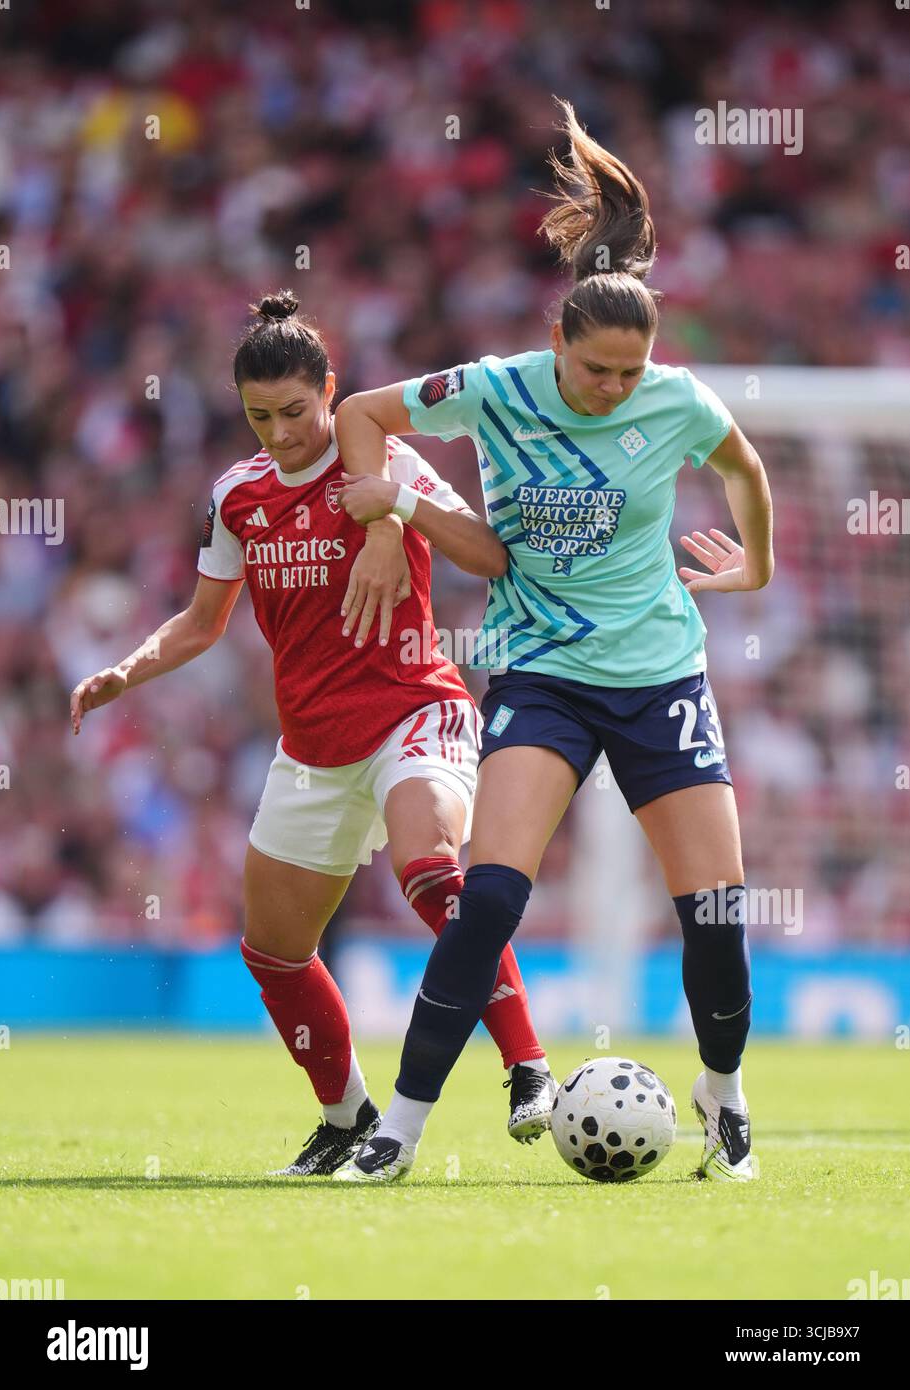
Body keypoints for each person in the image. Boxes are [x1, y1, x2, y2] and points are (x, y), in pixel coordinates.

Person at [329, 100, 774, 1184]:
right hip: (542, 674)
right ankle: (401, 1127)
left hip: (661, 672)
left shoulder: (674, 401)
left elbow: (746, 472)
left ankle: (723, 1094)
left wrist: (752, 566)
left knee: (714, 914)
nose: (614, 390)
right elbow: (359, 420)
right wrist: (388, 521)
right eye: (596, 373)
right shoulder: (494, 391)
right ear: (559, 341)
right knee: (487, 899)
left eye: (630, 375)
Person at [69, 291, 555, 1177]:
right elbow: (200, 621)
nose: (281, 433)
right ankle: (344, 1116)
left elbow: (487, 555)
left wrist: (400, 508)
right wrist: (126, 670)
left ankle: (527, 1070)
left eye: (295, 411)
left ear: (329, 389)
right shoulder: (237, 497)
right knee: (274, 952)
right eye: (260, 417)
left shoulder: (387, 461)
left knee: (434, 874)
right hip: (312, 751)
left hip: (417, 710)